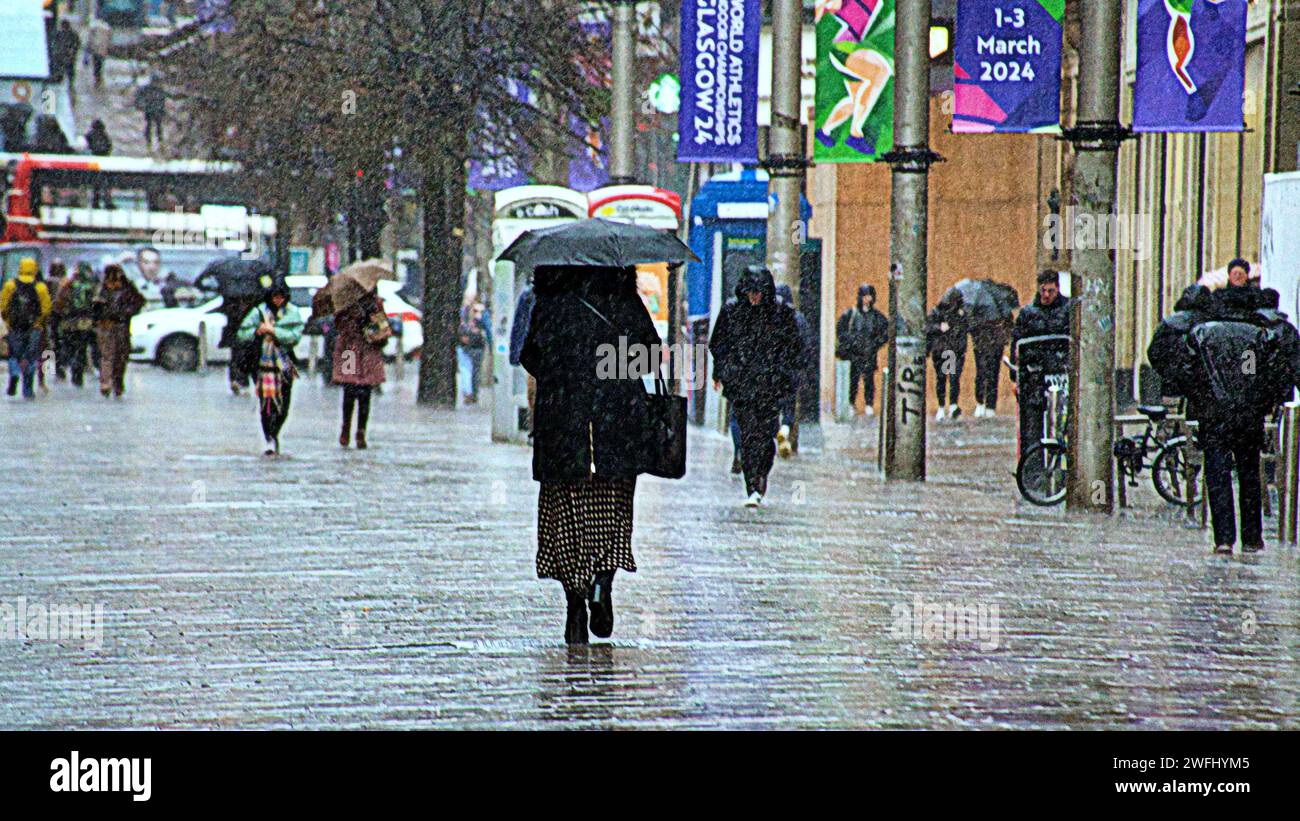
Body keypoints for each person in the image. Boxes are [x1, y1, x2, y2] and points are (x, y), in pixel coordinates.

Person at [519, 265, 660, 645]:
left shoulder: (550, 303)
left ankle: (574, 607)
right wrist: (608, 368)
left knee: (567, 523)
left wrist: (567, 371)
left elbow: (530, 356)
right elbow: (648, 356)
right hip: (614, 430)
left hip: (564, 432)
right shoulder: (622, 300)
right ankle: (602, 585)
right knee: (610, 518)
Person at [1150, 278, 1300, 554]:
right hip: (1248, 415)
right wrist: (1262, 401)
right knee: (1249, 475)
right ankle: (1252, 537)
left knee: (1217, 475)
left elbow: (1186, 368)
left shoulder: (1202, 333)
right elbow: (1267, 374)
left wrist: (1200, 396)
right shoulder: (1258, 335)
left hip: (1213, 415)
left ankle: (1224, 539)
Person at [709, 265, 804, 507]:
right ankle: (752, 484)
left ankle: (761, 475)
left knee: (765, 437)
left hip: (769, 387)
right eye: (750, 292)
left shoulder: (780, 313)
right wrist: (722, 372)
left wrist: (786, 375)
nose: (754, 297)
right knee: (749, 436)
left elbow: (794, 347)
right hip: (742, 386)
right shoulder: (732, 311)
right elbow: (718, 345)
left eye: (758, 292)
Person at [237, 279, 304, 455]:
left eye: (281, 297)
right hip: (262, 363)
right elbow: (242, 333)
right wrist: (257, 331)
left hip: (285, 363)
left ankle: (275, 432)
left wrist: (274, 331)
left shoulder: (292, 313)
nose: (278, 300)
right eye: (275, 297)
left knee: (284, 404)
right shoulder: (258, 312)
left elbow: (294, 336)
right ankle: (269, 437)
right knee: (266, 404)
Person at [1011, 270, 1072, 454]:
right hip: (1035, 376)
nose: (1046, 295)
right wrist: (1016, 378)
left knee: (1063, 419)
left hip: (1061, 373)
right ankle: (1034, 462)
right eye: (1043, 290)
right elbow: (1017, 347)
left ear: (1057, 289)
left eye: (1050, 291)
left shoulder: (1068, 310)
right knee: (1033, 422)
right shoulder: (1028, 313)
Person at [331, 284, 386, 449]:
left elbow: (382, 330)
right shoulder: (345, 304)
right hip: (350, 351)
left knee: (365, 393)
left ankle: (361, 431)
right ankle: (346, 426)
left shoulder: (375, 304)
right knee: (349, 390)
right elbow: (339, 326)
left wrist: (369, 321)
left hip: (368, 351)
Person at [0, 258, 52, 399]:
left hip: (14, 326)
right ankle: (28, 389)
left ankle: (15, 373)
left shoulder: (10, 285)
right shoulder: (40, 287)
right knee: (30, 356)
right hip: (33, 327)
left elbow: (3, 305)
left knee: (14, 354)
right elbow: (46, 308)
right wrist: (38, 322)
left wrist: (8, 321)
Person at [836, 283, 889, 417]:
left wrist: (874, 344)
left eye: (870, 296)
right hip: (854, 354)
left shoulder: (877, 316)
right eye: (865, 296)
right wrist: (851, 342)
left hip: (869, 353)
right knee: (853, 380)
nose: (868, 299)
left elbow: (886, 332)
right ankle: (851, 404)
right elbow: (840, 331)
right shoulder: (851, 314)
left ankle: (869, 404)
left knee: (869, 380)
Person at [91, 264, 144, 398]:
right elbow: (95, 307)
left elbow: (139, 302)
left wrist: (126, 313)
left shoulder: (127, 288)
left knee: (120, 356)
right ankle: (106, 383)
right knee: (108, 355)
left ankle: (117, 383)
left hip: (121, 325)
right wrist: (100, 318)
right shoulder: (102, 289)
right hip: (106, 325)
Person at [774, 283, 814, 458]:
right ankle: (785, 428)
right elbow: (808, 345)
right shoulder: (799, 318)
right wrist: (802, 366)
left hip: (774, 371)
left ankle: (775, 432)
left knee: (772, 405)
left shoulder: (771, 318)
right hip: (792, 371)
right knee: (789, 406)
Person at [52, 262, 99, 388]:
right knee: (81, 348)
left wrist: (60, 315)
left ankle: (68, 368)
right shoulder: (91, 285)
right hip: (85, 322)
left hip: (69, 322)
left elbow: (59, 302)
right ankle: (77, 374)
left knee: (69, 347)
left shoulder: (68, 283)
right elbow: (95, 304)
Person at [926, 290, 968, 421]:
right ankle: (942, 406)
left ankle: (952, 405)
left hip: (954, 351)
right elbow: (927, 327)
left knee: (954, 379)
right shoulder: (938, 312)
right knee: (942, 379)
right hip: (944, 351)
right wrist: (939, 327)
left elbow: (963, 331)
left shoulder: (960, 314)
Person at [457, 300, 490, 404]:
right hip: (476, 346)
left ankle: (469, 393)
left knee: (466, 370)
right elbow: (488, 328)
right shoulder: (482, 313)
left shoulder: (463, 312)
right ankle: (472, 394)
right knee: (474, 371)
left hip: (467, 347)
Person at [134, 79, 167, 149]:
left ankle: (154, 142)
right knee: (153, 126)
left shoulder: (154, 89)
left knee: (154, 126)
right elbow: (162, 100)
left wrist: (140, 105)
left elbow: (162, 100)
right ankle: (155, 142)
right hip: (152, 110)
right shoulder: (157, 90)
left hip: (153, 110)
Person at [88, 16, 111, 88]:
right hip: (102, 49)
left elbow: (91, 38)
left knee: (96, 65)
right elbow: (109, 39)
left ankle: (97, 78)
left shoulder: (94, 27)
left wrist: (90, 45)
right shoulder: (107, 28)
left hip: (96, 49)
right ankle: (98, 78)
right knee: (100, 64)